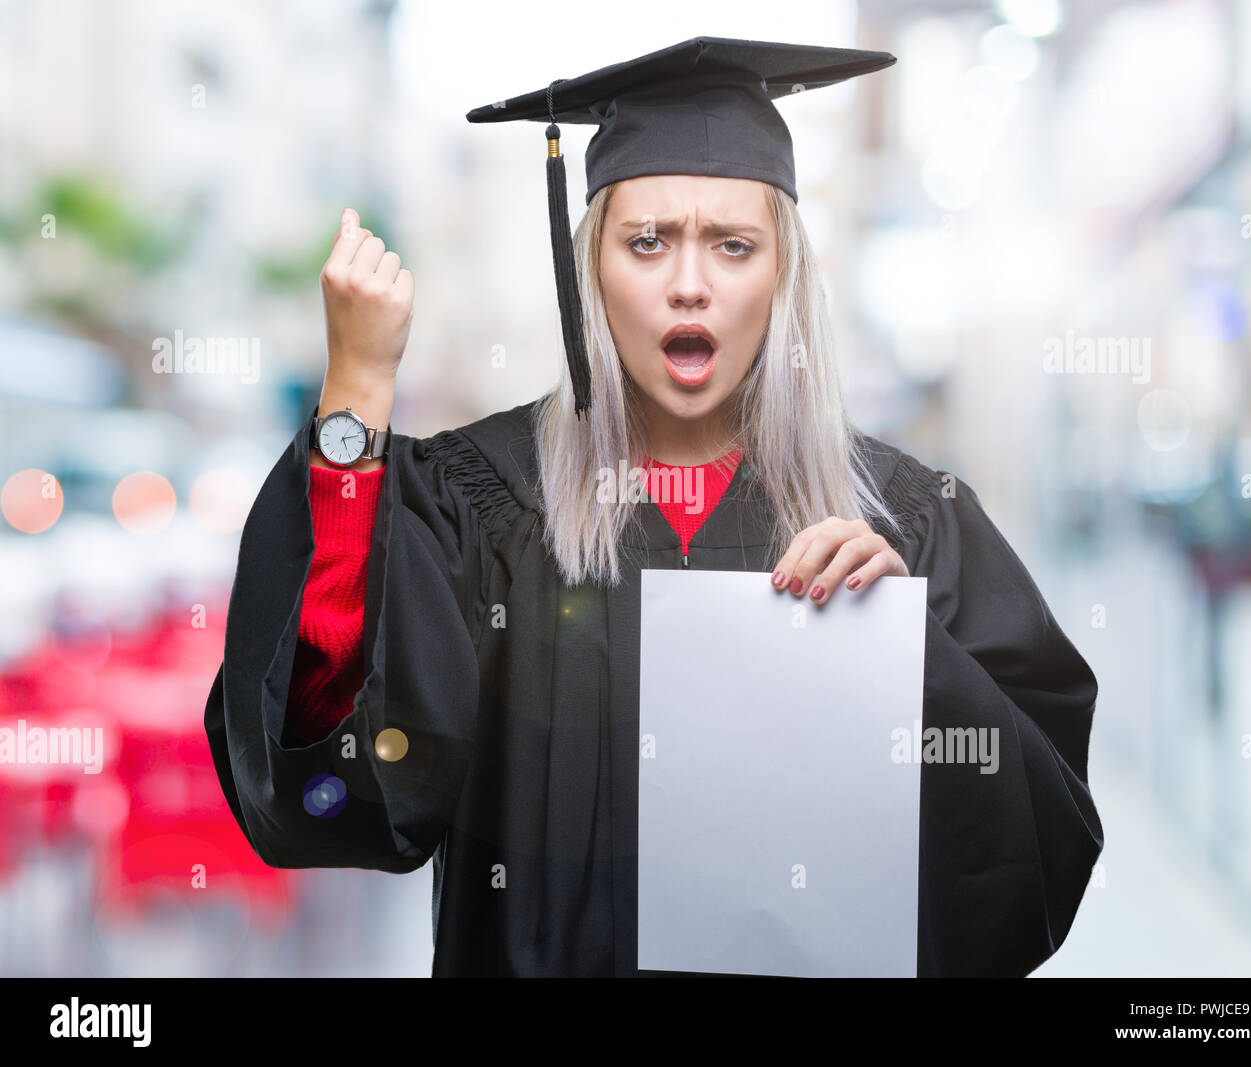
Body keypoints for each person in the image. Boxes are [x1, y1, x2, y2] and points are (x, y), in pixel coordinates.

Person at [204, 37, 1103, 977]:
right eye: (646, 241)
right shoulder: (480, 504)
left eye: (733, 244)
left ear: (783, 275)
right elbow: (335, 794)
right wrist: (356, 395)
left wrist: (909, 655)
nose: (689, 282)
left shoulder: (903, 521)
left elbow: (1041, 851)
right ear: (591, 267)